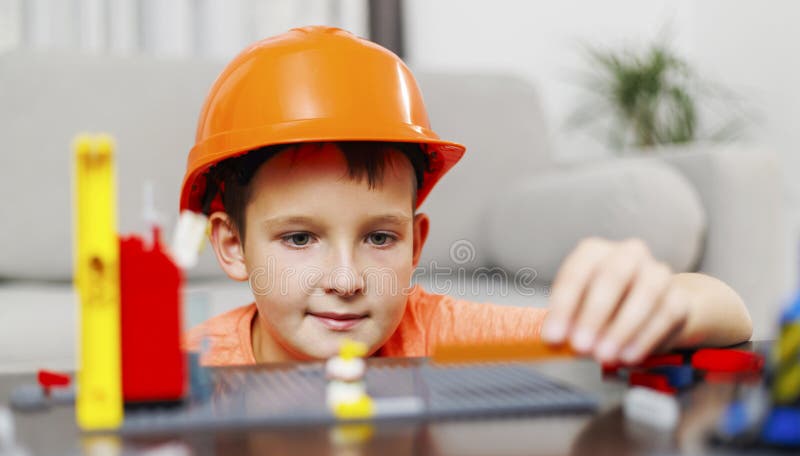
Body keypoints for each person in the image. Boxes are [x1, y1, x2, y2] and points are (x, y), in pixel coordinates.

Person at [182, 26, 751, 366]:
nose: (347, 280)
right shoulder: (192, 364)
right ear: (232, 246)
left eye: (380, 237)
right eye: (300, 237)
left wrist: (660, 305)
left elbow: (730, 310)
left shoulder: (440, 335)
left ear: (416, 242)